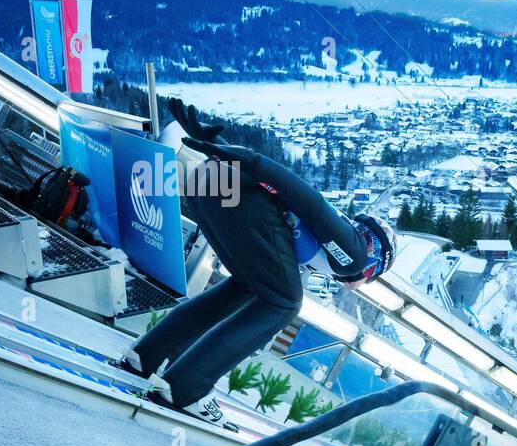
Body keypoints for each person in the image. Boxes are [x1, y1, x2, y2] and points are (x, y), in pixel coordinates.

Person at [115, 99, 395, 426]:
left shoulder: (326, 248)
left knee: (249, 287)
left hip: (210, 184)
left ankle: (146, 356)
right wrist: (252, 158)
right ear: (375, 264)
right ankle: (186, 387)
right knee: (286, 302)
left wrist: (216, 145)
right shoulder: (352, 257)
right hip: (239, 198)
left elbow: (280, 199)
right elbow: (308, 199)